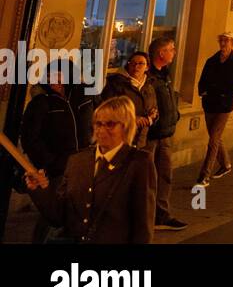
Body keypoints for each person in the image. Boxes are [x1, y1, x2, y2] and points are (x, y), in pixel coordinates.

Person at [24, 95, 156, 244]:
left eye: (110, 124)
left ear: (125, 126)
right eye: (98, 124)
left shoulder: (139, 163)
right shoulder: (77, 161)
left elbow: (143, 225)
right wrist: (40, 190)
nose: (101, 130)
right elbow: (59, 216)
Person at [20, 59, 95, 243]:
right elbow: (31, 139)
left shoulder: (83, 95)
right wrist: (50, 162)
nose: (53, 79)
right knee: (52, 213)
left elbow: (96, 119)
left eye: (59, 74)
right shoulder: (41, 102)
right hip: (58, 167)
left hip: (83, 164)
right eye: (50, 74)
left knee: (76, 209)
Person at [195, 31, 233, 188]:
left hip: (224, 106)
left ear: (232, 44)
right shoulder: (211, 61)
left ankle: (204, 175)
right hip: (210, 103)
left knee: (213, 140)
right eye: (221, 41)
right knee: (215, 137)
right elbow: (202, 80)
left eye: (226, 41)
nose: (223, 44)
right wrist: (202, 91)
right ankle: (225, 164)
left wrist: (226, 94)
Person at [145, 36, 186, 230]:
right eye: (171, 49)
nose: (174, 52)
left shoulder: (165, 74)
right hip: (151, 136)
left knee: (165, 175)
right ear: (161, 53)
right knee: (148, 178)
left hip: (166, 134)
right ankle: (146, 214)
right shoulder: (149, 77)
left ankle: (162, 213)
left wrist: (175, 115)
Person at [100, 51, 157, 149]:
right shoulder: (116, 84)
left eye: (141, 63)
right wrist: (132, 119)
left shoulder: (149, 86)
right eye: (133, 63)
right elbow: (106, 110)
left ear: (147, 67)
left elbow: (154, 108)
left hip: (141, 139)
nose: (136, 66)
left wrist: (152, 117)